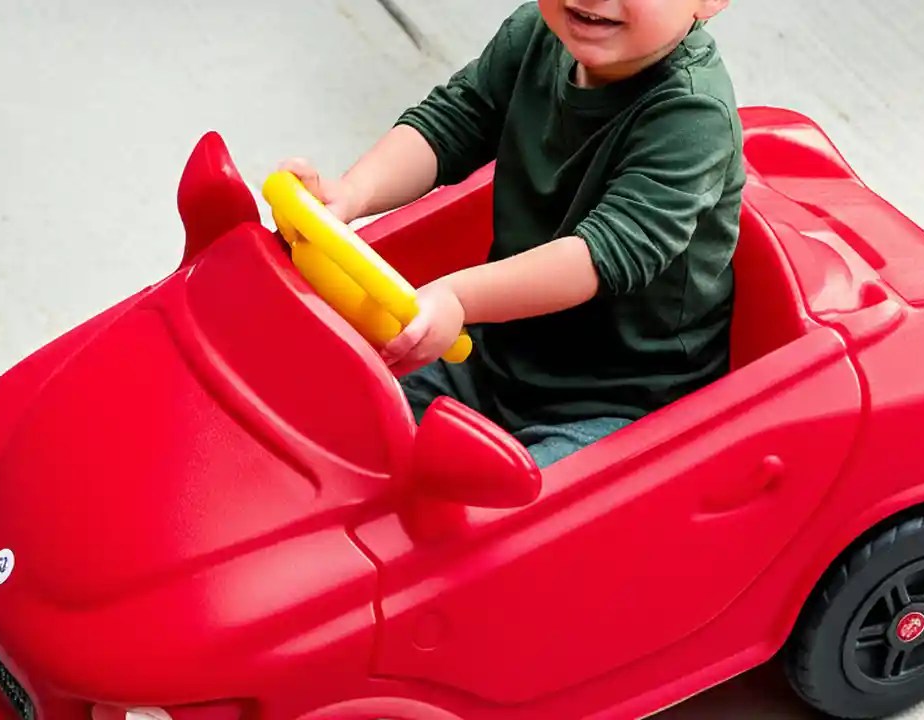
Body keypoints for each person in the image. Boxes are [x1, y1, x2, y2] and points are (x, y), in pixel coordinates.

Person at [277, 0, 746, 467]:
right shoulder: (537, 34)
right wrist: (353, 194)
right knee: (331, 418)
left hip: (618, 403)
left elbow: (603, 255)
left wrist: (459, 297)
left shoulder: (692, 117)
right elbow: (453, 121)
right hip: (496, 354)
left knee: (504, 520)